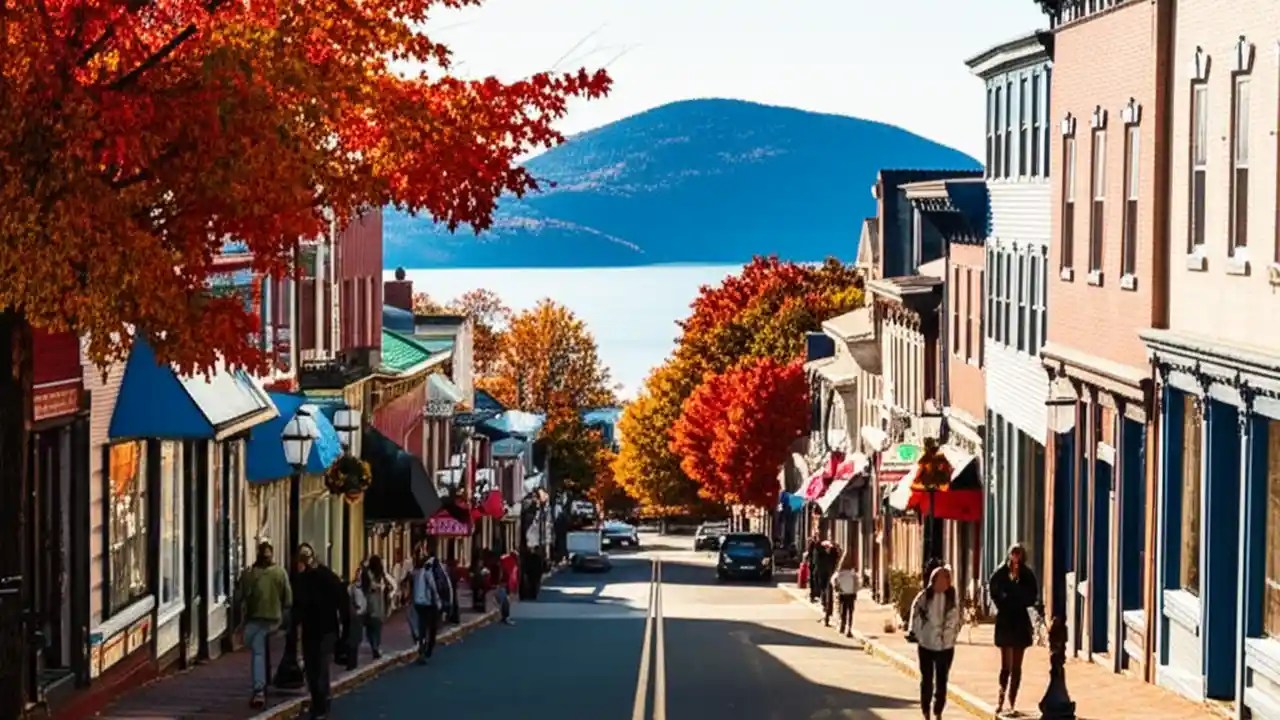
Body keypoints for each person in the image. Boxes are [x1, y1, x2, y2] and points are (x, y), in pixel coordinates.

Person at [290, 543, 349, 720]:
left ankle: (320, 704)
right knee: (315, 668)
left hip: (322, 630)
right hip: (320, 629)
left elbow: (341, 603)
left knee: (317, 668)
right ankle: (320, 703)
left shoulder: (320, 578)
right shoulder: (324, 577)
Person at [234, 541, 292, 709]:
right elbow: (288, 599)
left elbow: (239, 597)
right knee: (263, 650)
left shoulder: (250, 574)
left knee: (257, 651)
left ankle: (259, 688)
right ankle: (265, 681)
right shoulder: (280, 573)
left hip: (255, 620)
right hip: (274, 619)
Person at [989, 543, 1039, 716]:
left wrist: (1019, 597)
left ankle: (1012, 701)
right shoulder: (1001, 573)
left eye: (1019, 554)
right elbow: (993, 589)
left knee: (1017, 666)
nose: (1016, 558)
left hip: (1019, 621)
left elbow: (1032, 594)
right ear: (1009, 555)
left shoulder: (1027, 574)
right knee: (1006, 666)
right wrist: (1003, 600)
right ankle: (1000, 699)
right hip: (1005, 620)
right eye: (1013, 554)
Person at [910, 565, 960, 720]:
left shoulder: (952, 598)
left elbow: (957, 618)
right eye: (938, 579)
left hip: (945, 646)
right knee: (927, 679)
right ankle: (926, 709)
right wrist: (916, 632)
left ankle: (938, 710)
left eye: (945, 579)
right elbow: (915, 614)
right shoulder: (924, 597)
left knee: (942, 679)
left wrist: (950, 634)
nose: (942, 583)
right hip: (926, 643)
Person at [360, 555, 392, 659]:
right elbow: (387, 584)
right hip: (379, 602)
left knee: (370, 626)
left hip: (369, 601)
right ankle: (376, 646)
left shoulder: (367, 573)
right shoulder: (380, 574)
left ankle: (373, 645)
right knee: (377, 626)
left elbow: (365, 586)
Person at [831, 547, 861, 638]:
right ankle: (849, 629)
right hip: (850, 593)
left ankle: (842, 626)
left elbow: (833, 580)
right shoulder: (852, 573)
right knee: (850, 611)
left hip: (842, 593)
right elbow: (858, 583)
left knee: (842, 610)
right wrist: (855, 590)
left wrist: (837, 588)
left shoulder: (839, 572)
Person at [814, 540, 840, 626]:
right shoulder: (829, 555)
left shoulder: (821, 555)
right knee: (827, 595)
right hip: (827, 576)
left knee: (826, 595)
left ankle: (826, 616)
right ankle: (827, 615)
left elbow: (816, 563)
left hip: (825, 577)